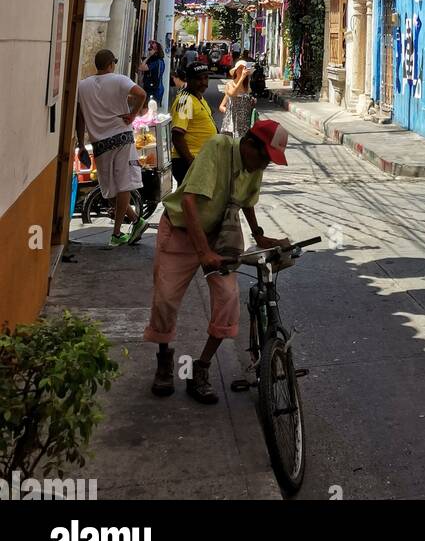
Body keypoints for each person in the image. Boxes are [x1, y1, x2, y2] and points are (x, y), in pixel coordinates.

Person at [144, 120, 290, 403]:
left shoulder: (254, 166)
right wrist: (203, 254)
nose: (264, 167)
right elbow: (188, 202)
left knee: (228, 300)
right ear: (249, 145)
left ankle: (202, 367)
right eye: (264, 159)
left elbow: (247, 200)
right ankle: (164, 361)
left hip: (219, 234)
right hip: (181, 230)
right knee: (165, 299)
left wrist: (259, 235)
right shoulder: (218, 147)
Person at [76, 49, 151, 248]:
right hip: (121, 137)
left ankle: (135, 222)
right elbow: (141, 94)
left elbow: (80, 116)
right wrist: (133, 115)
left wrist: (81, 143)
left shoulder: (82, 86)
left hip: (100, 142)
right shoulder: (119, 80)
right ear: (111, 64)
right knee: (123, 184)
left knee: (110, 189)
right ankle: (119, 231)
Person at [170, 64, 216, 185]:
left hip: (201, 160)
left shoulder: (198, 97)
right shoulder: (185, 100)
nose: (204, 82)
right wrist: (192, 163)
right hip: (188, 162)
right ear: (189, 80)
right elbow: (177, 136)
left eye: (206, 78)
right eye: (199, 79)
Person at [219, 61, 255, 137]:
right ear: (235, 71)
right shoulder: (230, 84)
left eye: (244, 68)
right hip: (231, 124)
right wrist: (228, 110)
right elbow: (232, 95)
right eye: (240, 68)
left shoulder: (247, 87)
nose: (242, 70)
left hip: (244, 124)